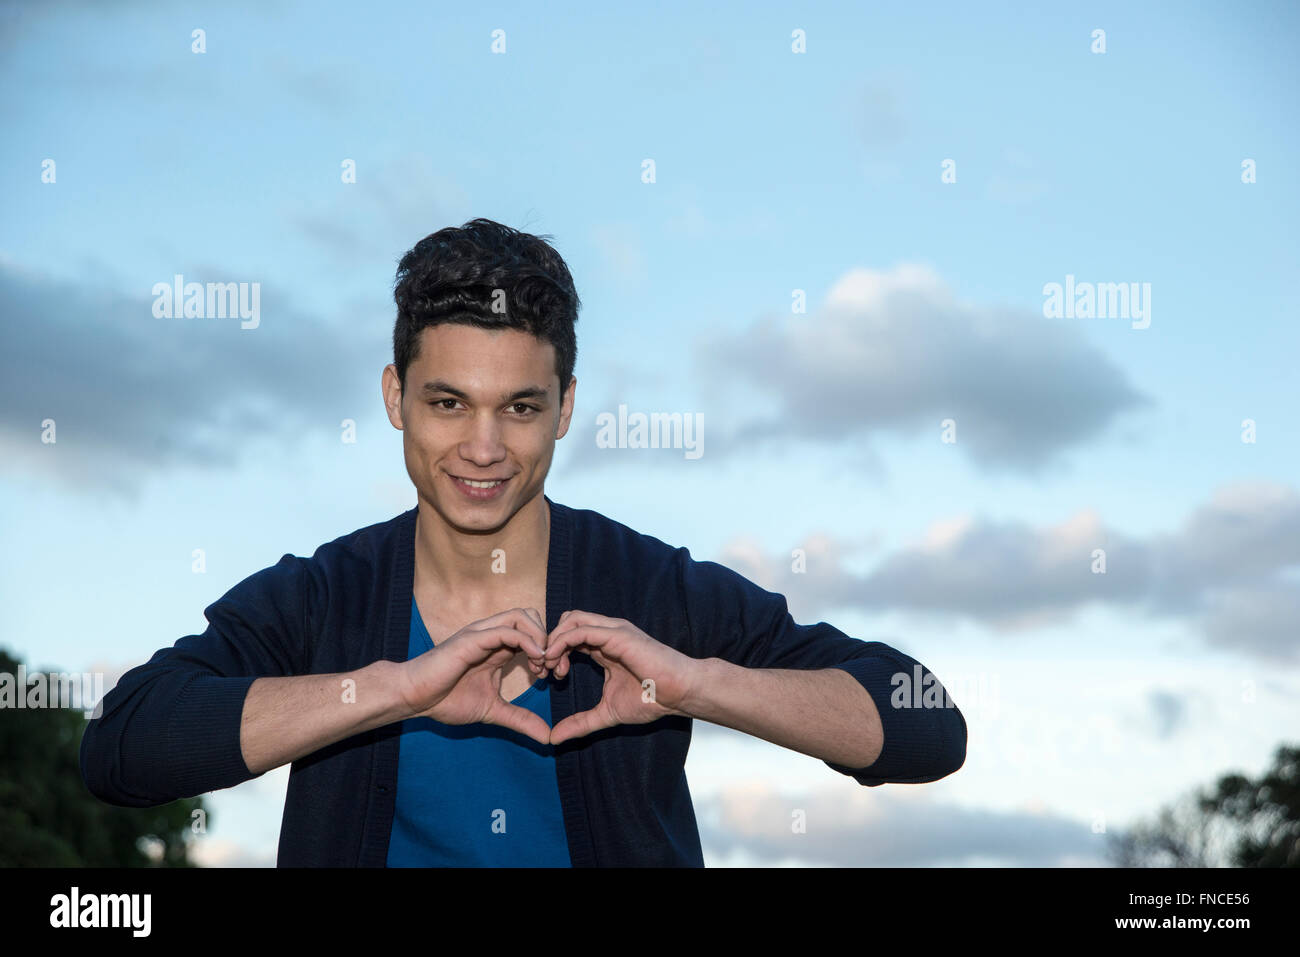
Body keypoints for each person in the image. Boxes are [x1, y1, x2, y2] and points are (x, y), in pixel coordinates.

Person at [80, 218, 967, 866]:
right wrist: (390, 691)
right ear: (395, 396)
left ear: (566, 408)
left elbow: (928, 723)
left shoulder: (655, 589)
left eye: (521, 407)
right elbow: (121, 748)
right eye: (448, 402)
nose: (484, 446)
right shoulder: (322, 597)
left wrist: (696, 682)